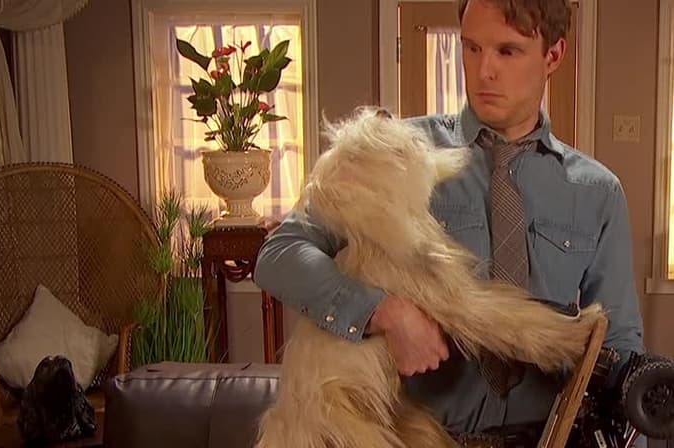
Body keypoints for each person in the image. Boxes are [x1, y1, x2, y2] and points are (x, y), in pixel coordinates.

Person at [253, 0, 646, 444]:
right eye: (472, 48)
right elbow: (280, 254)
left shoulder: (596, 192)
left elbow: (620, 346)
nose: (483, 71)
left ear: (553, 55)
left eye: (507, 51)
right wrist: (381, 312)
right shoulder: (397, 155)